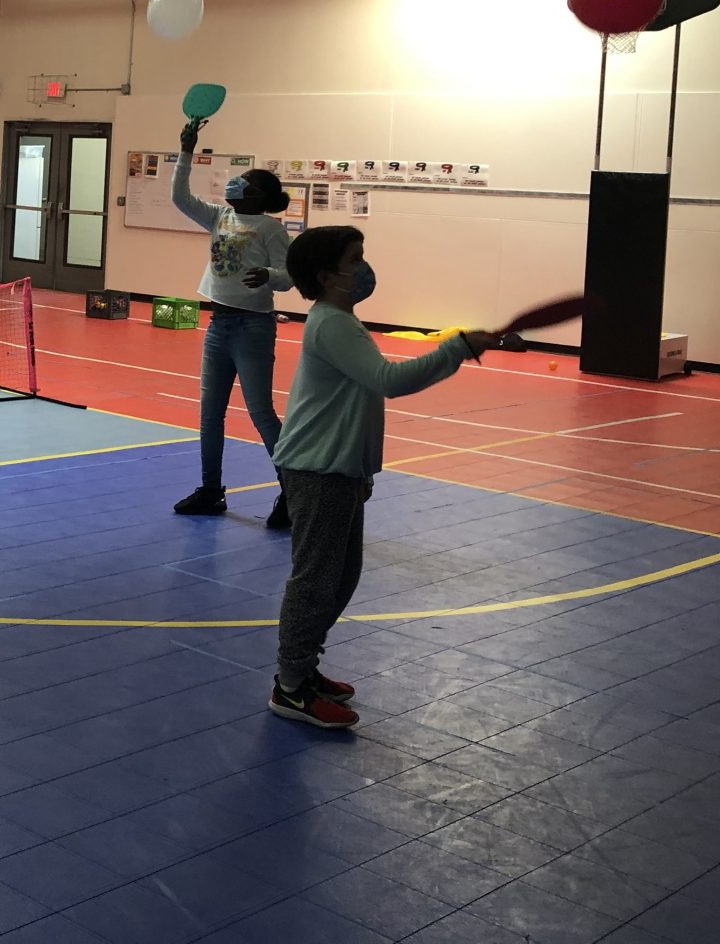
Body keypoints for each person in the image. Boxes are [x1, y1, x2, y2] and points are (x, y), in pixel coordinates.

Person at [267, 225, 495, 729]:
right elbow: (388, 382)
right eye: (356, 259)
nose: (365, 268)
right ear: (328, 276)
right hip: (317, 468)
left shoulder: (342, 322)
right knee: (315, 581)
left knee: (339, 578)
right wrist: (456, 347)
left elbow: (361, 399)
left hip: (339, 468)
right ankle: (290, 687)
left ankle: (303, 667)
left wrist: (362, 470)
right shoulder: (332, 324)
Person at [169, 120, 296, 527]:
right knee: (210, 414)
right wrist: (186, 151)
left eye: (244, 182)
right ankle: (211, 490)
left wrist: (270, 276)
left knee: (260, 412)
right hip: (218, 325)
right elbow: (179, 197)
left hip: (253, 328)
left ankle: (293, 494)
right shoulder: (219, 216)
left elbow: (289, 276)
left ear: (259, 196)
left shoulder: (272, 229)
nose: (235, 184)